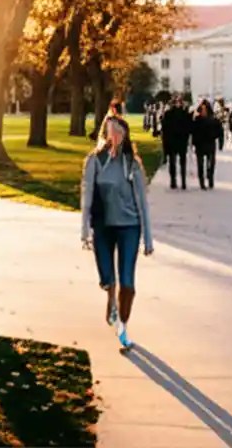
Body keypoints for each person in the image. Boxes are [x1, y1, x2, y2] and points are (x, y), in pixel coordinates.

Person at [80, 114, 154, 349]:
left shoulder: (132, 164)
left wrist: (148, 238)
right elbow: (87, 197)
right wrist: (84, 229)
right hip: (103, 226)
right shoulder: (94, 161)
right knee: (107, 276)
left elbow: (142, 202)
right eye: (111, 131)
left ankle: (122, 326)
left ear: (124, 136)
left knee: (128, 283)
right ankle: (110, 295)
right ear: (105, 135)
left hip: (129, 226)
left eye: (119, 132)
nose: (115, 136)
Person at [160, 96, 193, 190]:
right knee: (173, 162)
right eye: (177, 102)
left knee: (180, 162)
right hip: (175, 141)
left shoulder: (180, 114)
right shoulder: (174, 114)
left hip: (179, 141)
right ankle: (174, 181)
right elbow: (165, 128)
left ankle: (182, 181)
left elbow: (189, 127)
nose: (178, 104)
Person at [191, 100, 223, 190]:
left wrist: (218, 140)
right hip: (200, 145)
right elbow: (193, 132)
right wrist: (194, 143)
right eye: (202, 110)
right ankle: (202, 182)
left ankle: (210, 179)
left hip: (210, 144)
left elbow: (220, 131)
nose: (204, 112)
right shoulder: (197, 121)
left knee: (211, 164)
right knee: (200, 165)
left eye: (205, 110)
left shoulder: (213, 120)